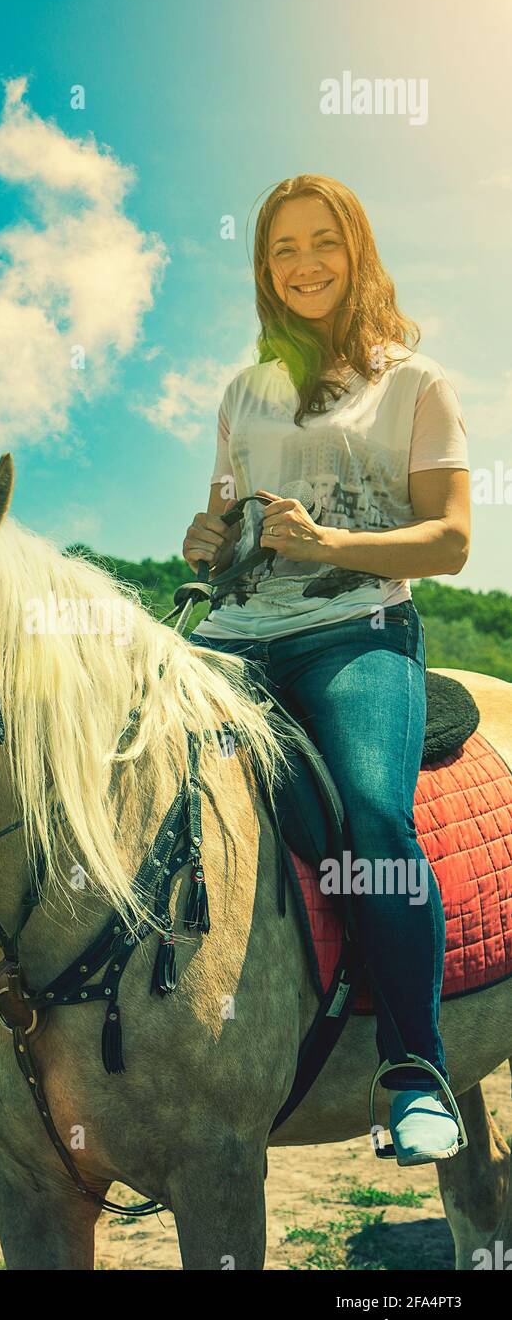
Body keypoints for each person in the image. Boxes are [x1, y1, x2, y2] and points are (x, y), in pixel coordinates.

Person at [183, 174, 471, 1165]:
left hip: (356, 631)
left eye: (321, 242)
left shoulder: (414, 383)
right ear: (262, 270)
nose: (301, 263)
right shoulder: (240, 392)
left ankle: (414, 1067)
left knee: (369, 809)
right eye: (280, 249)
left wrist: (333, 547)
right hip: (230, 634)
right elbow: (225, 531)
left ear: (355, 250)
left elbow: (448, 543)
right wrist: (203, 539)